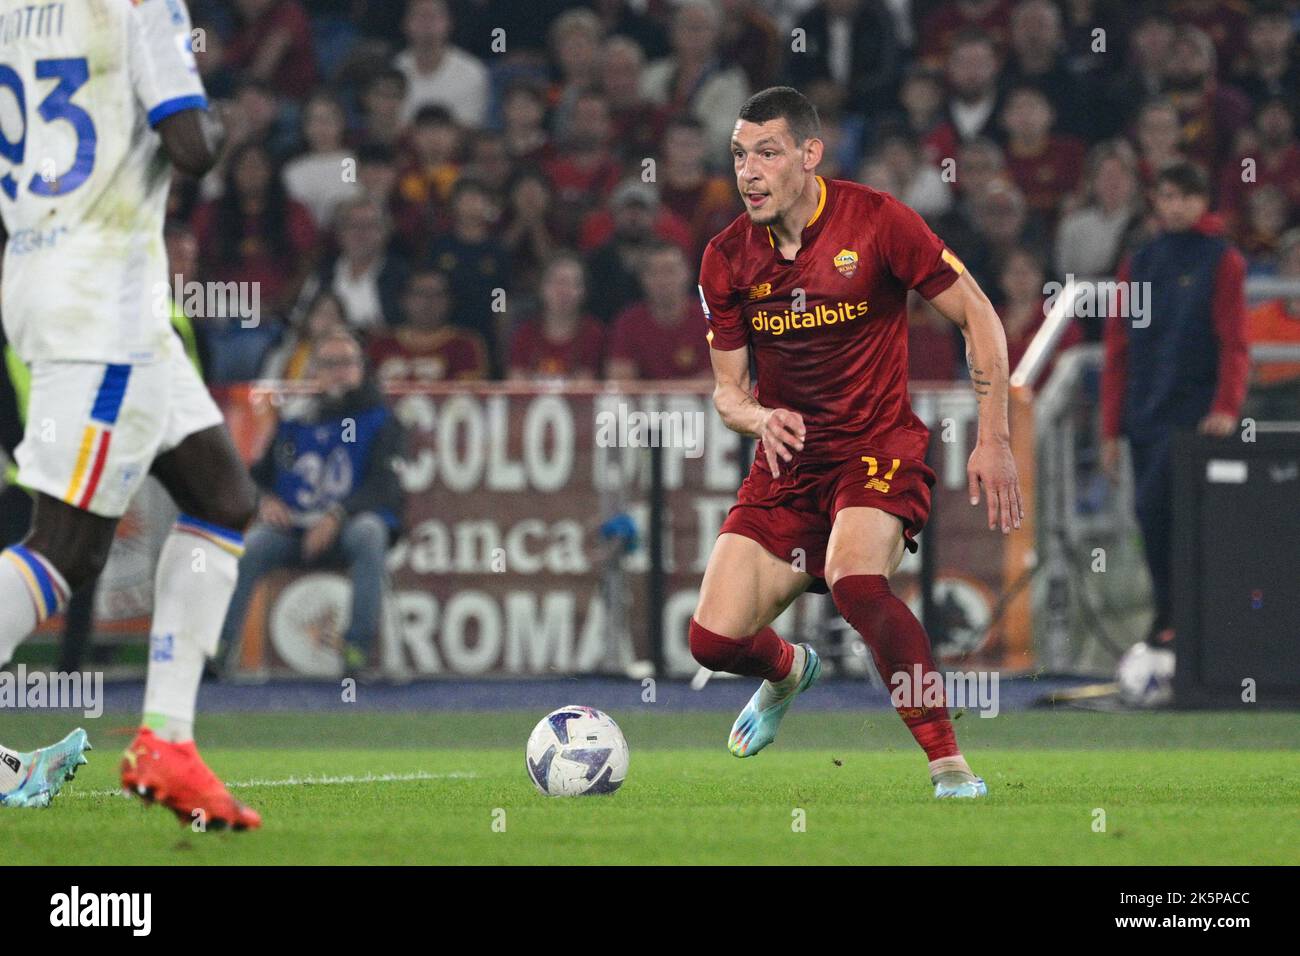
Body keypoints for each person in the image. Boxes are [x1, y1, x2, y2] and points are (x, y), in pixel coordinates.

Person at [692, 87, 1022, 799]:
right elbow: (726, 391)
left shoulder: (877, 221)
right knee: (711, 643)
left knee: (856, 581)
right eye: (739, 155)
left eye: (768, 153)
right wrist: (757, 419)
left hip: (876, 447)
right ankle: (789, 672)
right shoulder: (725, 259)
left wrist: (993, 438)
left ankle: (949, 764)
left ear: (810, 156)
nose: (749, 172)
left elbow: (981, 317)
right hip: (786, 464)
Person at [0, 0, 261, 827]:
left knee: (223, 497)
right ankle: (165, 741)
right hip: (102, 300)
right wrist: (226, 118)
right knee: (67, 545)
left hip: (68, 279)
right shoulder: (140, 4)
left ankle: (167, 743)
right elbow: (190, 147)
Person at [1100, 162, 1250, 651]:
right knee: (1152, 517)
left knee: (1170, 513)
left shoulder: (1221, 260)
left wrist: (1226, 405)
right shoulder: (1139, 263)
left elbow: (1234, 341)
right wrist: (1109, 430)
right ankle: (1173, 619)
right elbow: (1118, 350)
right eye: (1168, 196)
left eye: (1186, 196)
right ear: (1156, 202)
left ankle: (1178, 618)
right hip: (1147, 412)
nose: (1177, 206)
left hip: (1194, 414)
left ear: (1202, 201)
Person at [221, 332, 405, 676]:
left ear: (361, 369)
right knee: (254, 545)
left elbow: (386, 488)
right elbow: (258, 475)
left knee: (370, 533)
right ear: (314, 371)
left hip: (350, 528)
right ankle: (220, 651)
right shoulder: (297, 420)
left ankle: (356, 651)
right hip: (295, 530)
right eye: (328, 364)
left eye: (347, 363)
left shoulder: (381, 419)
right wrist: (265, 499)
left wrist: (338, 515)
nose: (338, 372)